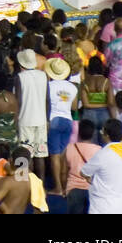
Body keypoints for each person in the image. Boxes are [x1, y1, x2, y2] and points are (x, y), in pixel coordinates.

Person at [81, 120, 122, 214]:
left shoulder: (103, 154)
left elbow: (84, 172)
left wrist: (90, 179)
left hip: (103, 205)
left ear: (107, 135)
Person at [44, 57, 78, 196]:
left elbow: (44, 104)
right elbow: (74, 107)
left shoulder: (49, 86)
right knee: (63, 156)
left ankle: (58, 188)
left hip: (54, 120)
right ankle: (65, 187)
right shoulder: (72, 87)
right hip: (68, 121)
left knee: (54, 156)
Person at [15, 48, 49, 180]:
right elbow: (47, 100)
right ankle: (41, 186)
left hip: (25, 120)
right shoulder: (43, 75)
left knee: (23, 155)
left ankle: (22, 183)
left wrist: (15, 121)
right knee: (40, 155)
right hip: (41, 120)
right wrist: (47, 119)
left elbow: (18, 101)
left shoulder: (20, 77)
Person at [64, 119, 102, 215]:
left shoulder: (69, 147)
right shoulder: (99, 150)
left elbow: (63, 172)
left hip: (73, 189)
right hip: (92, 189)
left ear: (79, 132)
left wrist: (64, 188)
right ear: (93, 133)